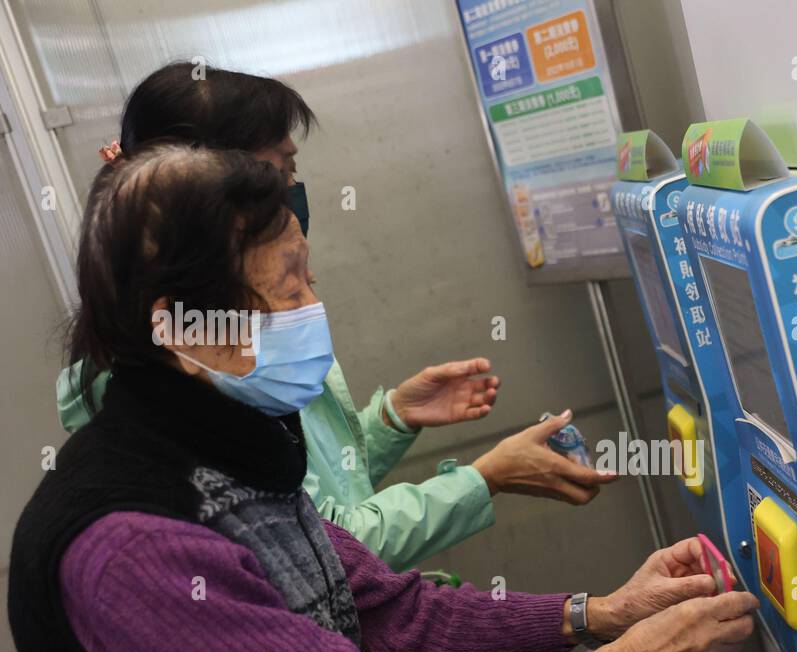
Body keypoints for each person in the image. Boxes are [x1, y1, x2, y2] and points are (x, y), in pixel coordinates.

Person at [8, 141, 758, 652]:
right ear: (183, 326)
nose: (312, 303)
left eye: (309, 275)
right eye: (289, 283)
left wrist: (599, 615)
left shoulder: (222, 446)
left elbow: (391, 612)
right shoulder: (135, 542)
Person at [59, 62, 616, 576]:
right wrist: (486, 478)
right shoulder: (200, 370)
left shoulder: (230, 340)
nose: (310, 300)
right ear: (210, 183)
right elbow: (320, 545)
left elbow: (312, 487)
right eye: (281, 169)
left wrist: (393, 419)